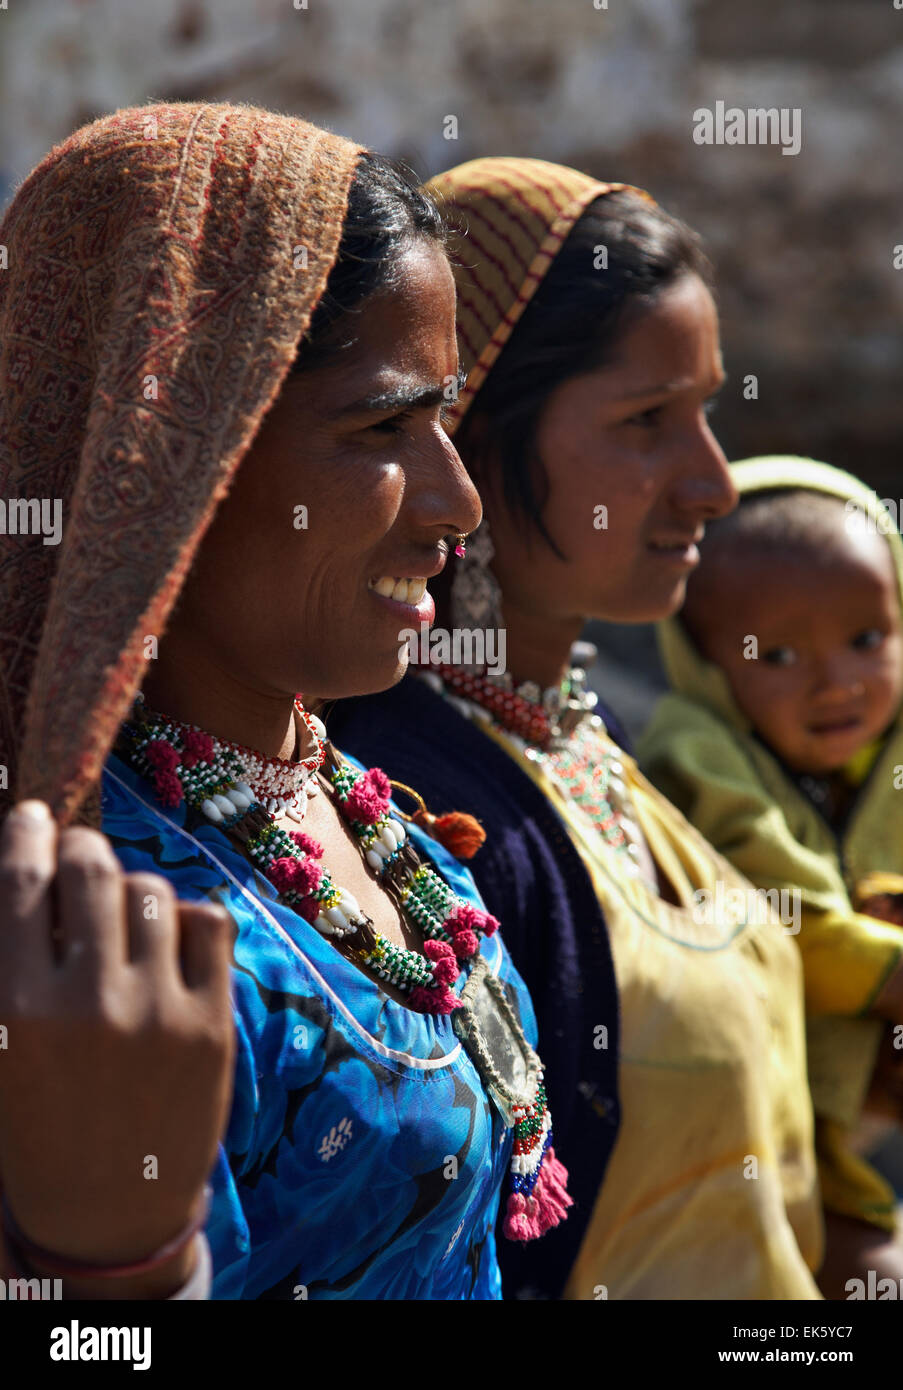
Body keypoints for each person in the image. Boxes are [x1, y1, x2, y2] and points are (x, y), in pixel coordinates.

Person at [0, 105, 572, 1300]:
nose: (456, 503)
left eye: (445, 422)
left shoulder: (360, 811)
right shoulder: (86, 911)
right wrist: (114, 1265)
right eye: (384, 427)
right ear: (167, 460)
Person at [330, 156, 826, 1299]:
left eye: (706, 412)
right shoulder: (421, 816)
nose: (714, 484)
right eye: (649, 421)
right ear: (477, 437)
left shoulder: (583, 748)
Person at [639, 455, 903, 1296]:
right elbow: (798, 927)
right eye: (779, 654)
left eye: (867, 640)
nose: (837, 683)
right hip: (758, 1119)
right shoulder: (698, 757)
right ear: (708, 664)